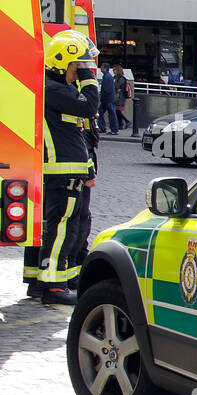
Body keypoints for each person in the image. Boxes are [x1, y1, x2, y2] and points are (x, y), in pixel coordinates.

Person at [24, 30, 99, 306]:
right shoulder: (53, 90)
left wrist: (89, 169)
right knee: (60, 227)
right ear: (63, 64)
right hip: (61, 171)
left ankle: (44, 279)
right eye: (78, 66)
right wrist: (90, 79)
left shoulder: (59, 90)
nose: (80, 73)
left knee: (67, 225)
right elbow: (90, 105)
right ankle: (52, 285)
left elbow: (79, 134)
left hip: (68, 170)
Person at [97, 65, 119, 134]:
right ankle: (103, 127)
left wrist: (103, 97)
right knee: (101, 113)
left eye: (102, 68)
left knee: (110, 113)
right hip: (107, 99)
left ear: (105, 68)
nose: (100, 69)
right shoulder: (108, 76)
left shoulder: (107, 77)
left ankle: (113, 129)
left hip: (107, 99)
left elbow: (106, 89)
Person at [112, 64, 131, 132]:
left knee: (118, 111)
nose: (113, 71)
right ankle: (121, 124)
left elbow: (117, 87)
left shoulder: (120, 79)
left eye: (114, 70)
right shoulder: (116, 78)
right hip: (119, 97)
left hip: (120, 97)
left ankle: (127, 121)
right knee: (117, 111)